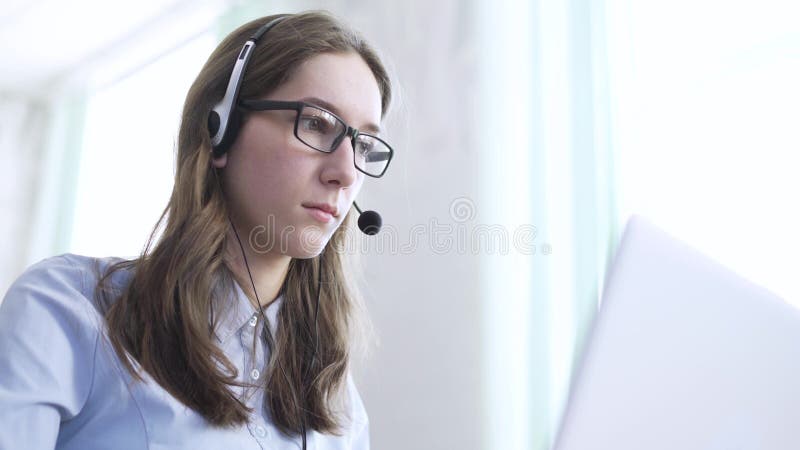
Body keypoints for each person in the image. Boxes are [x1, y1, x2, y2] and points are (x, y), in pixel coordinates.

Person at [0, 10, 395, 450]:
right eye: (316, 123)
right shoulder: (67, 311)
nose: (346, 172)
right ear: (220, 129)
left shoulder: (339, 408)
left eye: (363, 145)